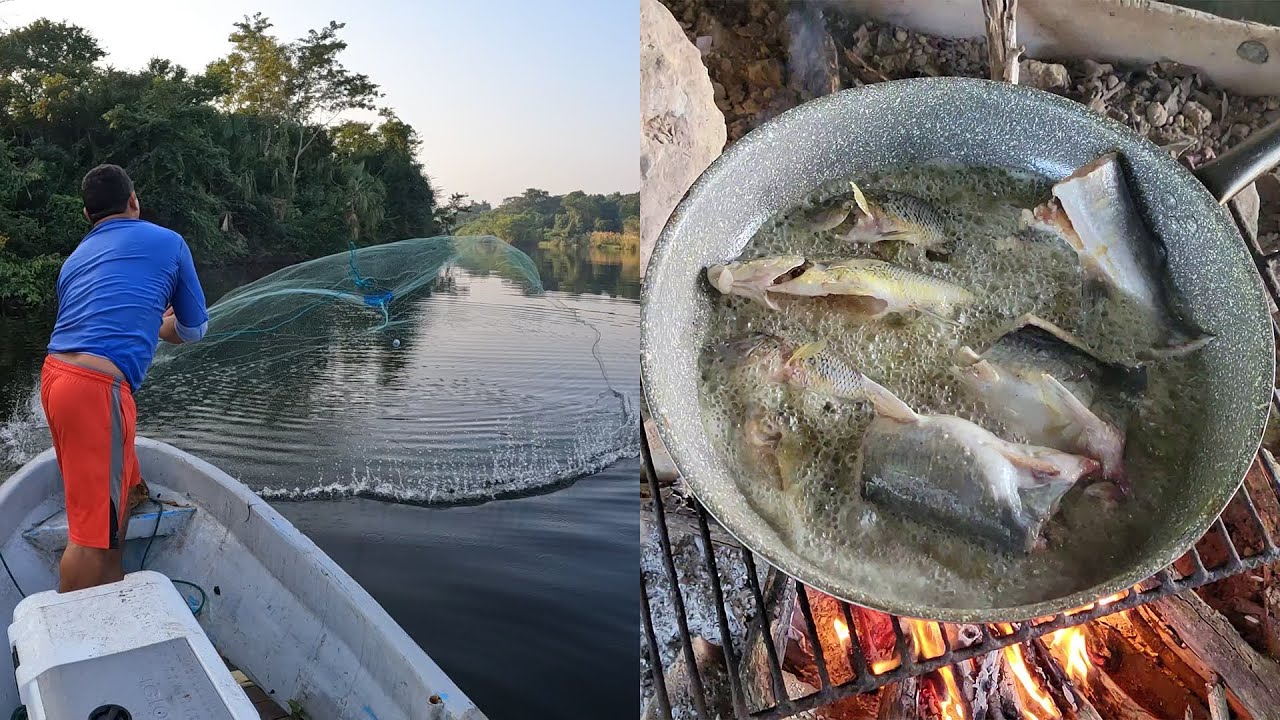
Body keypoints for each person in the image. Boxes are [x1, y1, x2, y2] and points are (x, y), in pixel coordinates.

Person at [40, 163, 209, 592]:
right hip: (96, 392)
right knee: (92, 542)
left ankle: (129, 497)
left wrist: (147, 317)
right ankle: (73, 636)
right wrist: (163, 324)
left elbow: (93, 323)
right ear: (133, 201)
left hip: (56, 378)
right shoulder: (168, 242)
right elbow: (192, 330)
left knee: (118, 494)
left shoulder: (75, 259)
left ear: (87, 216)